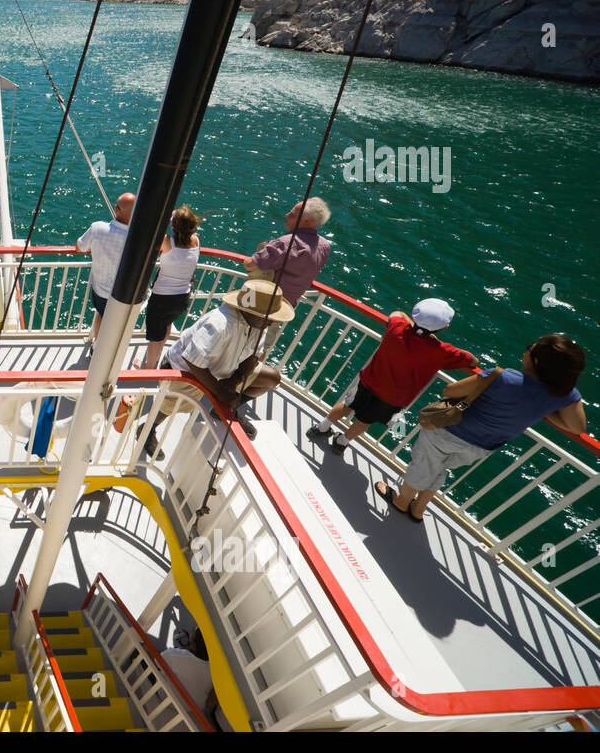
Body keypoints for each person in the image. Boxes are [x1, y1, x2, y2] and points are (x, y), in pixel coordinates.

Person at [376, 333, 586, 522]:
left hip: (449, 432)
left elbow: (449, 390)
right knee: (440, 469)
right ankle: (418, 509)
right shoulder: (563, 395)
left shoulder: (503, 377)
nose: (526, 350)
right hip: (483, 446)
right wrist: (544, 408)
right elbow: (576, 427)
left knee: (422, 465)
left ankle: (402, 502)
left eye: (530, 348)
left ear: (537, 360)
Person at [307, 299, 476, 456]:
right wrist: (433, 339)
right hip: (392, 398)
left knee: (347, 404)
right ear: (444, 327)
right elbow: (472, 361)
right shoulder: (442, 352)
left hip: (369, 381)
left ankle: (321, 428)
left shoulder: (397, 326)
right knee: (365, 420)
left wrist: (412, 324)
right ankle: (341, 442)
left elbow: (397, 313)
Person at [163, 278, 295, 440]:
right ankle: (148, 429)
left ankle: (227, 408)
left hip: (223, 369)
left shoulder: (259, 323)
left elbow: (254, 356)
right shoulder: (220, 324)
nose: (272, 321)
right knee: (170, 407)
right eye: (267, 317)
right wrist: (220, 392)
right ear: (248, 312)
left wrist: (234, 380)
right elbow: (193, 360)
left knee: (271, 378)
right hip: (187, 372)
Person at [141, 206, 201, 370]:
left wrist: (165, 222)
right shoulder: (196, 240)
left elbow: (150, 233)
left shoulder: (166, 242)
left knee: (155, 337)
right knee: (166, 325)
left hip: (162, 298)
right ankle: (157, 355)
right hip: (182, 297)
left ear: (173, 226)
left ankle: (148, 368)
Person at [242, 198, 332, 306]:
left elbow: (250, 265)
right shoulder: (324, 246)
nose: (287, 215)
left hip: (257, 304)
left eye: (293, 214)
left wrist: (258, 253)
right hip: (284, 309)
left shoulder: (286, 243)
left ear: (307, 221)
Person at [77, 192, 135, 340]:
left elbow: (80, 247)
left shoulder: (97, 228)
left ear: (116, 208)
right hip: (124, 293)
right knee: (117, 323)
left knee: (101, 314)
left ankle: (97, 347)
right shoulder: (136, 238)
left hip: (101, 290)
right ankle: (107, 348)